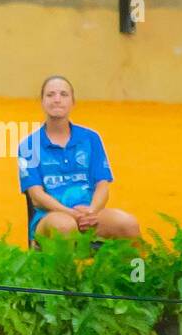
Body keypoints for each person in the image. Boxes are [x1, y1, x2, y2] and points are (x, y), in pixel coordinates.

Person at [18, 76, 141, 242]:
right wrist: (71, 214)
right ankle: (67, 270)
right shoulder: (29, 145)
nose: (57, 99)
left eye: (63, 94)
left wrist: (92, 211)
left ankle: (138, 269)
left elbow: (102, 185)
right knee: (65, 226)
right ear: (42, 102)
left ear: (73, 102)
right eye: (50, 95)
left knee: (128, 224)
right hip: (50, 217)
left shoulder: (91, 138)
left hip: (90, 215)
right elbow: (36, 195)